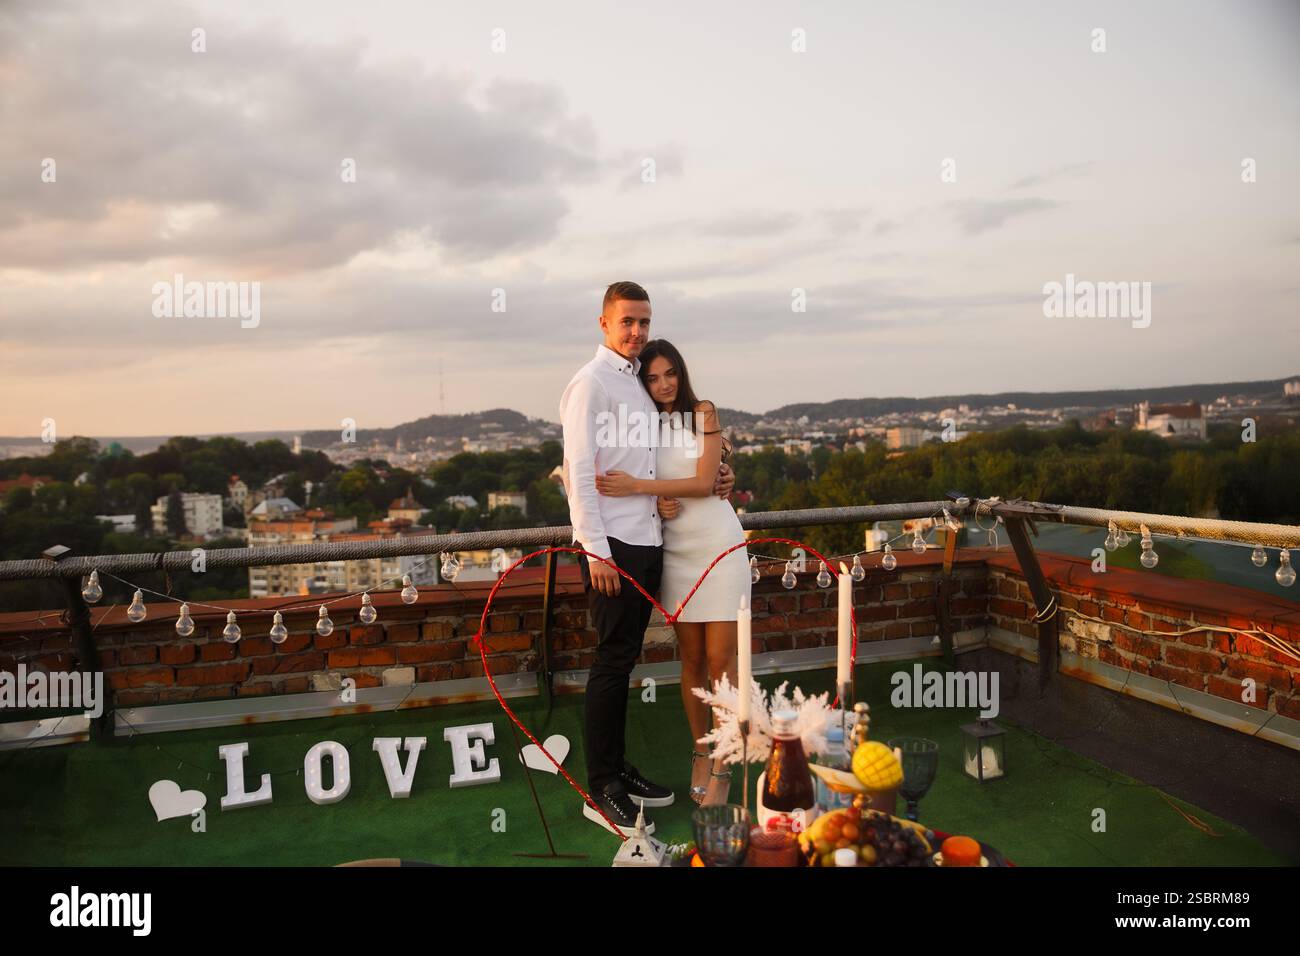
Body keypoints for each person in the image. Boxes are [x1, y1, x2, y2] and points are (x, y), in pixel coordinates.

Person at [559, 281, 735, 836]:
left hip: (652, 543)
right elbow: (580, 473)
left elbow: (672, 459)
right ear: (604, 323)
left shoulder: (635, 383)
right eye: (627, 322)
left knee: (625, 661)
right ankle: (601, 786)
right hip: (615, 549)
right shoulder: (589, 384)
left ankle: (618, 770)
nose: (637, 331)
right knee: (611, 665)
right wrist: (596, 553)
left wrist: (720, 476)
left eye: (644, 322)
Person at [594, 339, 750, 807]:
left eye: (670, 374)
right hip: (675, 552)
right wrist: (655, 502)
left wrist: (643, 486)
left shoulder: (703, 412)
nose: (662, 385)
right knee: (692, 662)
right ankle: (700, 752)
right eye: (652, 377)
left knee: (724, 662)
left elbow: (705, 481)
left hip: (719, 546)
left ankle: (725, 761)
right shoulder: (641, 423)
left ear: (681, 373)